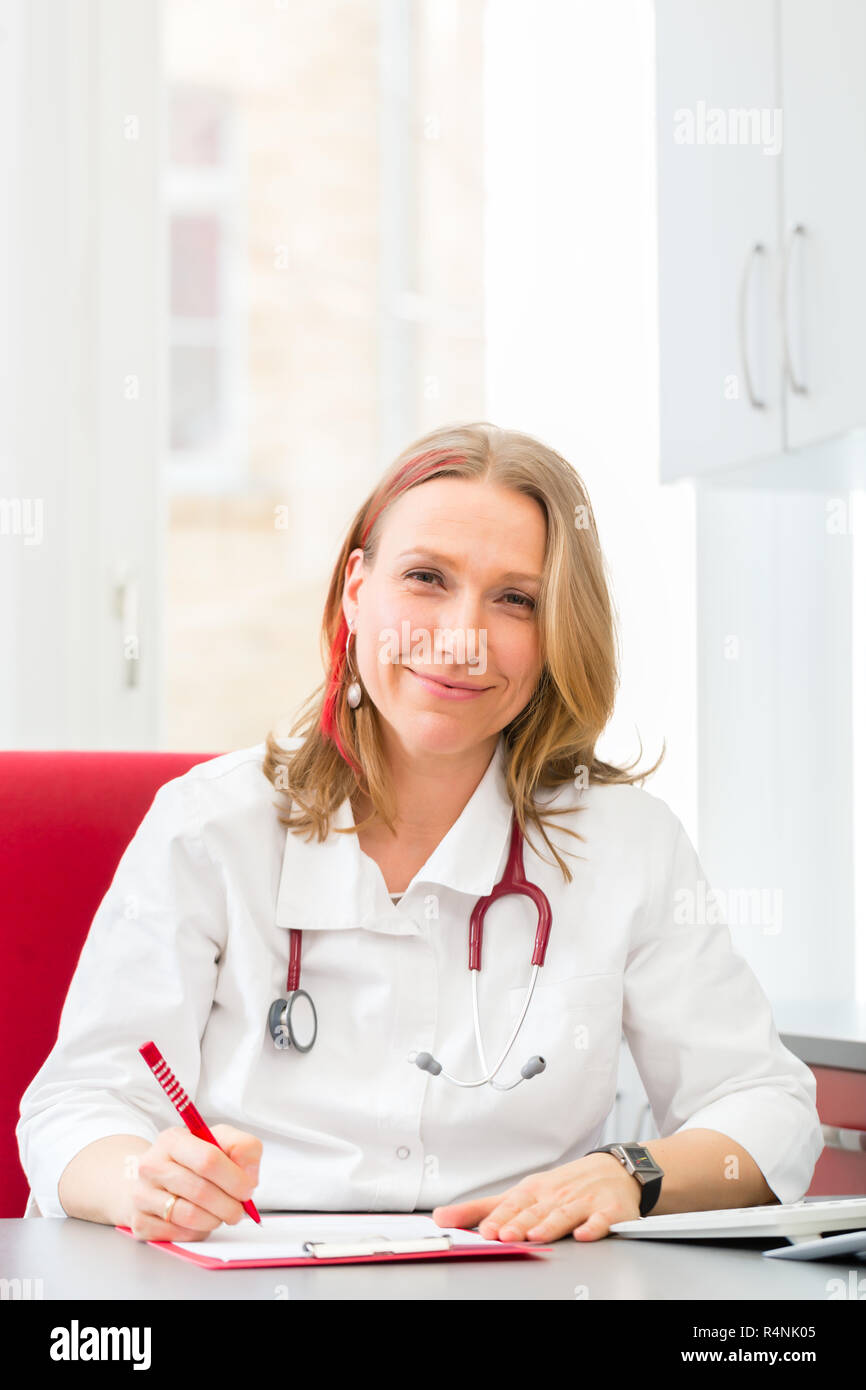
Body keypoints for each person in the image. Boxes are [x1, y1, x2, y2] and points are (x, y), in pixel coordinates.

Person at [16, 422, 823, 1244]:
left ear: (554, 636)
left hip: (523, 1279)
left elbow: (767, 1109)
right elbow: (80, 1105)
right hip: (257, 1273)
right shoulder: (212, 826)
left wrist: (631, 1174)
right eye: (427, 578)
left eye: (516, 599)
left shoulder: (624, 844)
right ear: (357, 591)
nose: (462, 636)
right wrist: (140, 1182)